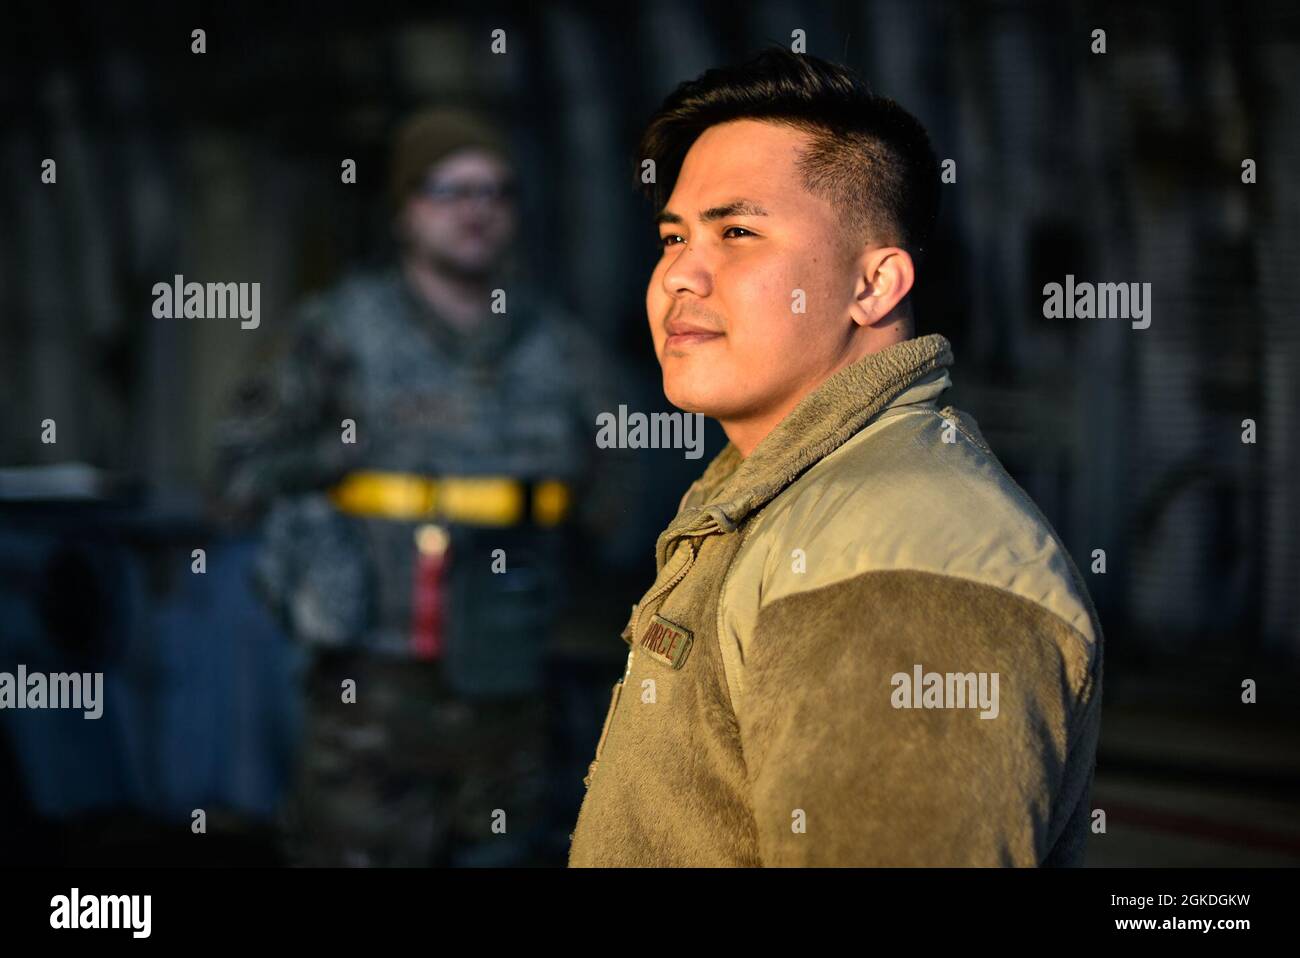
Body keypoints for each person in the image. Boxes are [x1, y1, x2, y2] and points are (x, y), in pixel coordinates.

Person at [568, 49, 1104, 867]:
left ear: (875, 284)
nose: (679, 273)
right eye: (672, 236)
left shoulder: (903, 552)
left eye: (737, 232)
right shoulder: (790, 506)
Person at [219, 107, 623, 866]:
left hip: (513, 685)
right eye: (450, 190)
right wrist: (332, 492)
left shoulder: (557, 346)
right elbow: (239, 469)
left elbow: (621, 493)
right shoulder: (338, 333)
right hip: (367, 689)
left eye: (496, 192)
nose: (477, 210)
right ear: (405, 210)